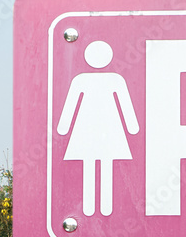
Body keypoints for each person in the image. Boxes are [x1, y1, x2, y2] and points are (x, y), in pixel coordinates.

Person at [56, 40, 139, 216]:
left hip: (102, 128)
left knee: (99, 164)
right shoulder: (88, 79)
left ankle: (101, 208)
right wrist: (132, 127)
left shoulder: (110, 79)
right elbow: (71, 104)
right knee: (95, 163)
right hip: (93, 128)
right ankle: (94, 209)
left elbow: (124, 104)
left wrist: (132, 127)